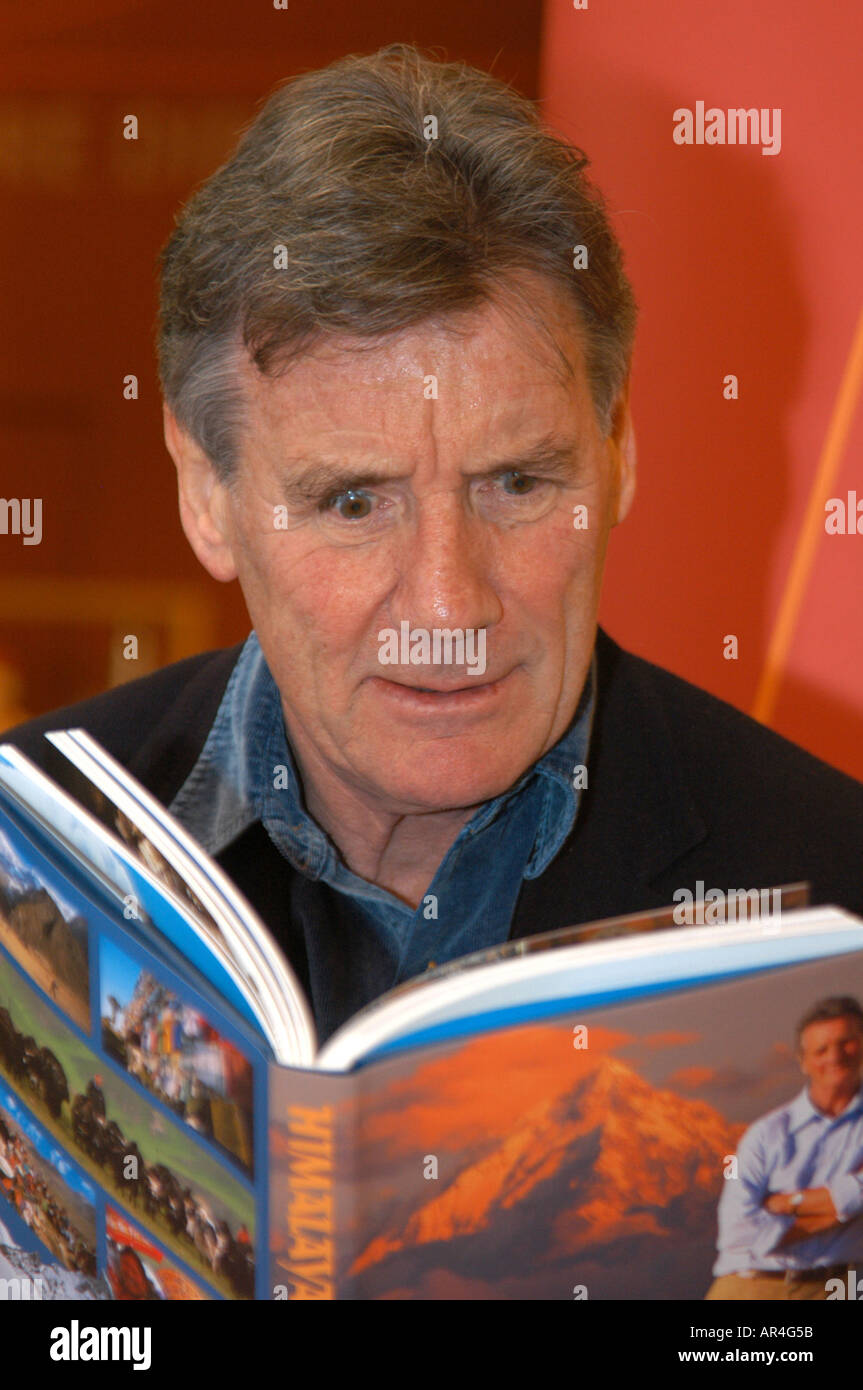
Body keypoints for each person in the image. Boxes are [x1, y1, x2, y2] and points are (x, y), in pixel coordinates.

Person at [5, 45, 863, 1043]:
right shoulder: (21, 846)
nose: (450, 606)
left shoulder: (832, 892)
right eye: (355, 503)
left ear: (617, 450)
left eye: (514, 483)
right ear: (207, 491)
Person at [706, 996, 863, 1300]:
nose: (835, 1056)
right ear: (803, 1062)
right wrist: (848, 1208)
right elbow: (737, 1233)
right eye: (821, 1050)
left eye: (846, 1043)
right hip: (751, 1285)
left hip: (842, 1288)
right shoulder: (765, 1135)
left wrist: (788, 1204)